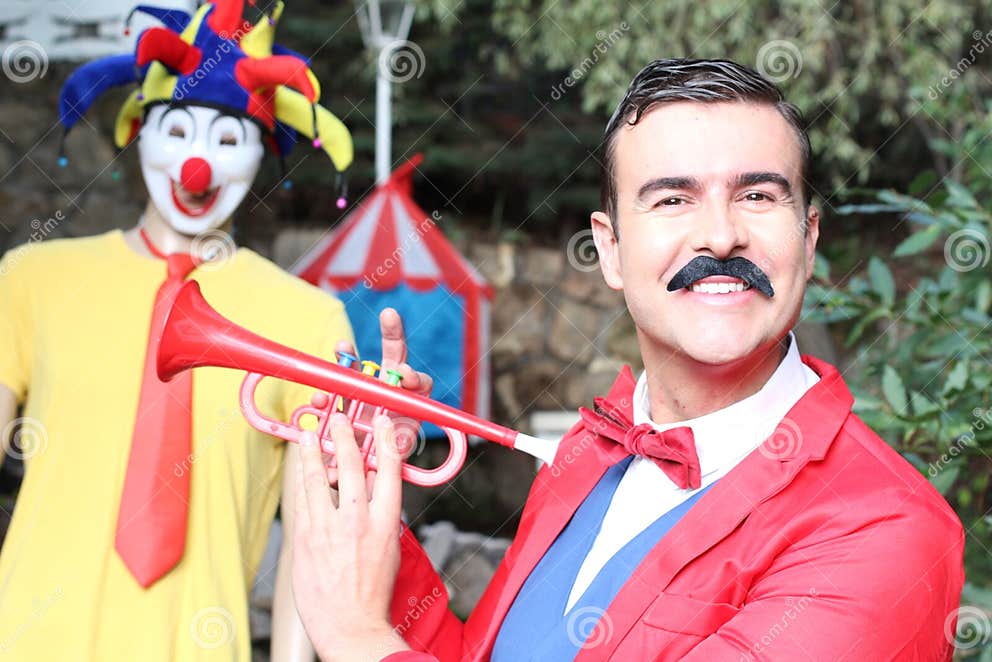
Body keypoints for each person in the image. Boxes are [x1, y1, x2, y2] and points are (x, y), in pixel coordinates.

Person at [290, 59, 966, 661]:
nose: (721, 235)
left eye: (758, 196)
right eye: (673, 199)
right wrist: (362, 506)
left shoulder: (887, 531)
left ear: (809, 237)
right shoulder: (594, 444)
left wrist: (357, 639)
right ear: (609, 250)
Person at [0, 1, 360, 660]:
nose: (199, 165)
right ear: (139, 131)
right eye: (178, 132)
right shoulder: (28, 281)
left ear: (262, 155)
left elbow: (313, 546)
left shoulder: (309, 322)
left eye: (227, 142)